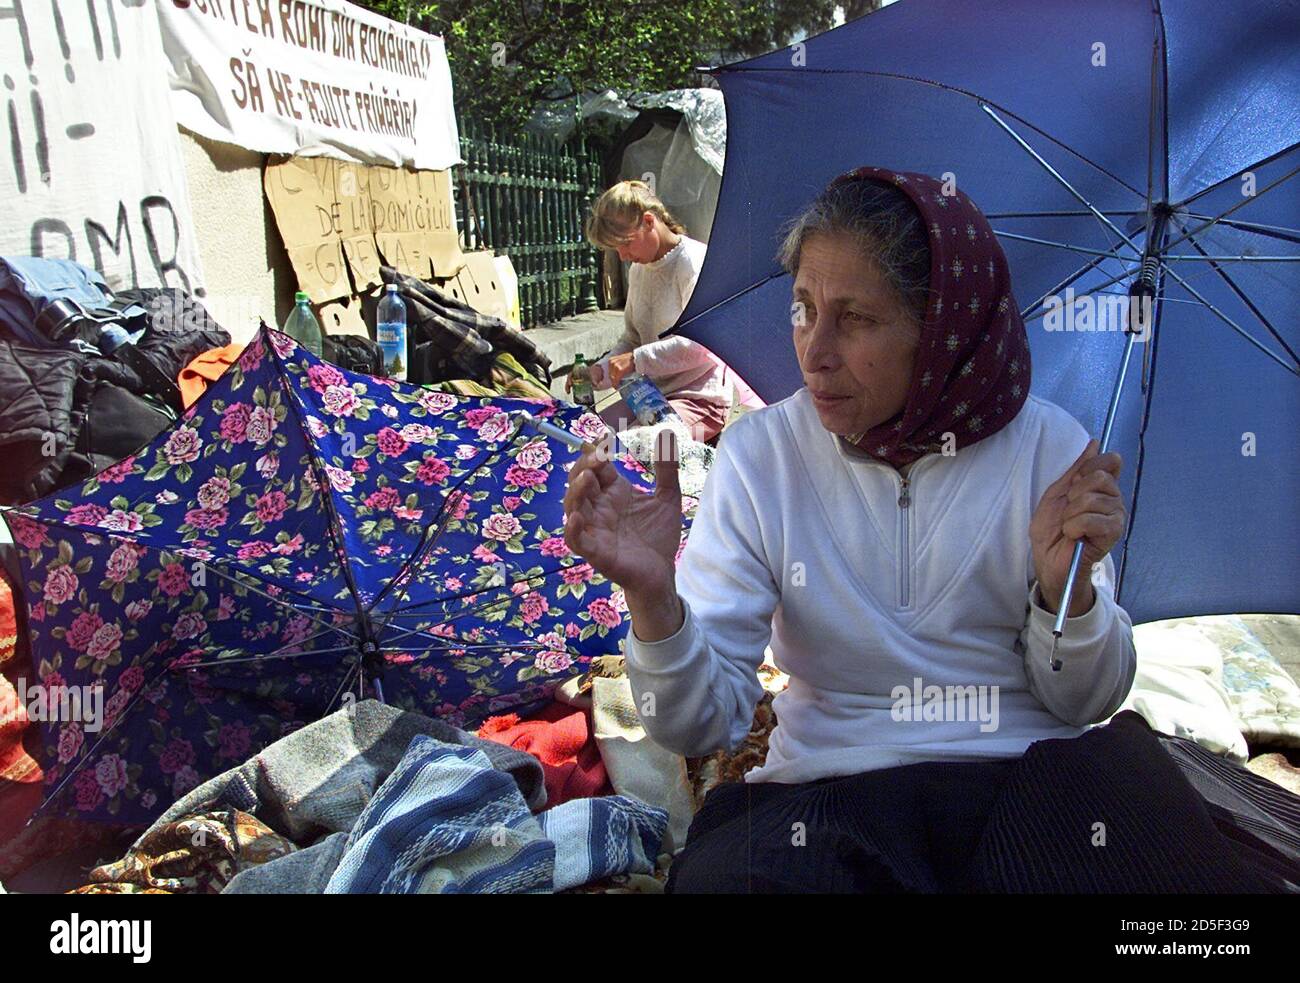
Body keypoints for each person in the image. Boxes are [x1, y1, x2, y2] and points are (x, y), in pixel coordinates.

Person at [562, 167, 1300, 893]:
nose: (815, 351)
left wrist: (1062, 598)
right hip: (830, 791)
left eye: (856, 318)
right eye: (804, 308)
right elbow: (700, 726)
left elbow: (1089, 701)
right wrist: (655, 599)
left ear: (945, 326)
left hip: (1036, 777)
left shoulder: (1052, 451)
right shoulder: (763, 456)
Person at [577, 180, 732, 443]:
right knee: (591, 438)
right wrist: (600, 371)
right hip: (647, 395)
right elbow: (632, 339)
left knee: (638, 448)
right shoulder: (639, 269)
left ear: (649, 222)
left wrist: (636, 361)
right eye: (617, 249)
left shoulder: (693, 263)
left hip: (699, 399)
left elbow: (705, 344)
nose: (623, 256)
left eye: (625, 244)